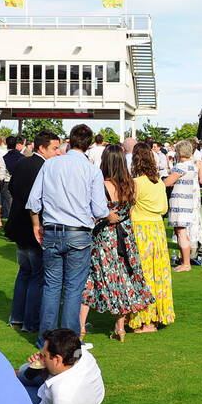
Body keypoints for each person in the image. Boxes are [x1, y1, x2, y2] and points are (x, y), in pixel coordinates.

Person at [26, 124, 107, 345]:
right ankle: (69, 342)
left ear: (70, 141)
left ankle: (47, 341)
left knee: (52, 287)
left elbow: (34, 202)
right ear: (89, 145)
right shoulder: (91, 170)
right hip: (78, 232)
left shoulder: (51, 165)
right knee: (73, 289)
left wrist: (36, 224)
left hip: (53, 230)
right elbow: (100, 210)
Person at [81, 145, 153, 340]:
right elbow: (129, 211)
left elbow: (95, 212)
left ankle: (80, 327)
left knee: (90, 278)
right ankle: (120, 328)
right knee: (122, 277)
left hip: (104, 236)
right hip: (125, 236)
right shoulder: (130, 184)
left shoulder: (100, 184)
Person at [6, 131, 59, 332]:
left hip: (18, 225)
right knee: (37, 275)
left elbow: (11, 188)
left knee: (24, 272)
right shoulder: (45, 167)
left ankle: (17, 318)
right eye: (54, 148)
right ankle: (30, 322)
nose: (57, 153)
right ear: (42, 148)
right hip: (35, 226)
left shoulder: (21, 163)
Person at [16, 328, 105, 404]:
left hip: (54, 401)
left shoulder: (61, 394)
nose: (42, 357)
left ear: (57, 359)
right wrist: (42, 366)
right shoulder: (80, 353)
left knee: (14, 393)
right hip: (90, 398)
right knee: (25, 371)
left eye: (45, 355)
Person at [127, 144, 175, 332]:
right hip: (157, 230)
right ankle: (157, 316)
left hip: (140, 230)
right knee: (158, 275)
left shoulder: (135, 183)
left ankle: (144, 320)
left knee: (142, 274)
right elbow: (164, 209)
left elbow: (128, 209)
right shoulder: (159, 183)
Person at [163, 139, 202, 272]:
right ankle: (184, 261)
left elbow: (168, 182)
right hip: (187, 200)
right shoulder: (192, 165)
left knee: (181, 232)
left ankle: (186, 263)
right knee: (181, 231)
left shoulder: (181, 167)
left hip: (179, 202)